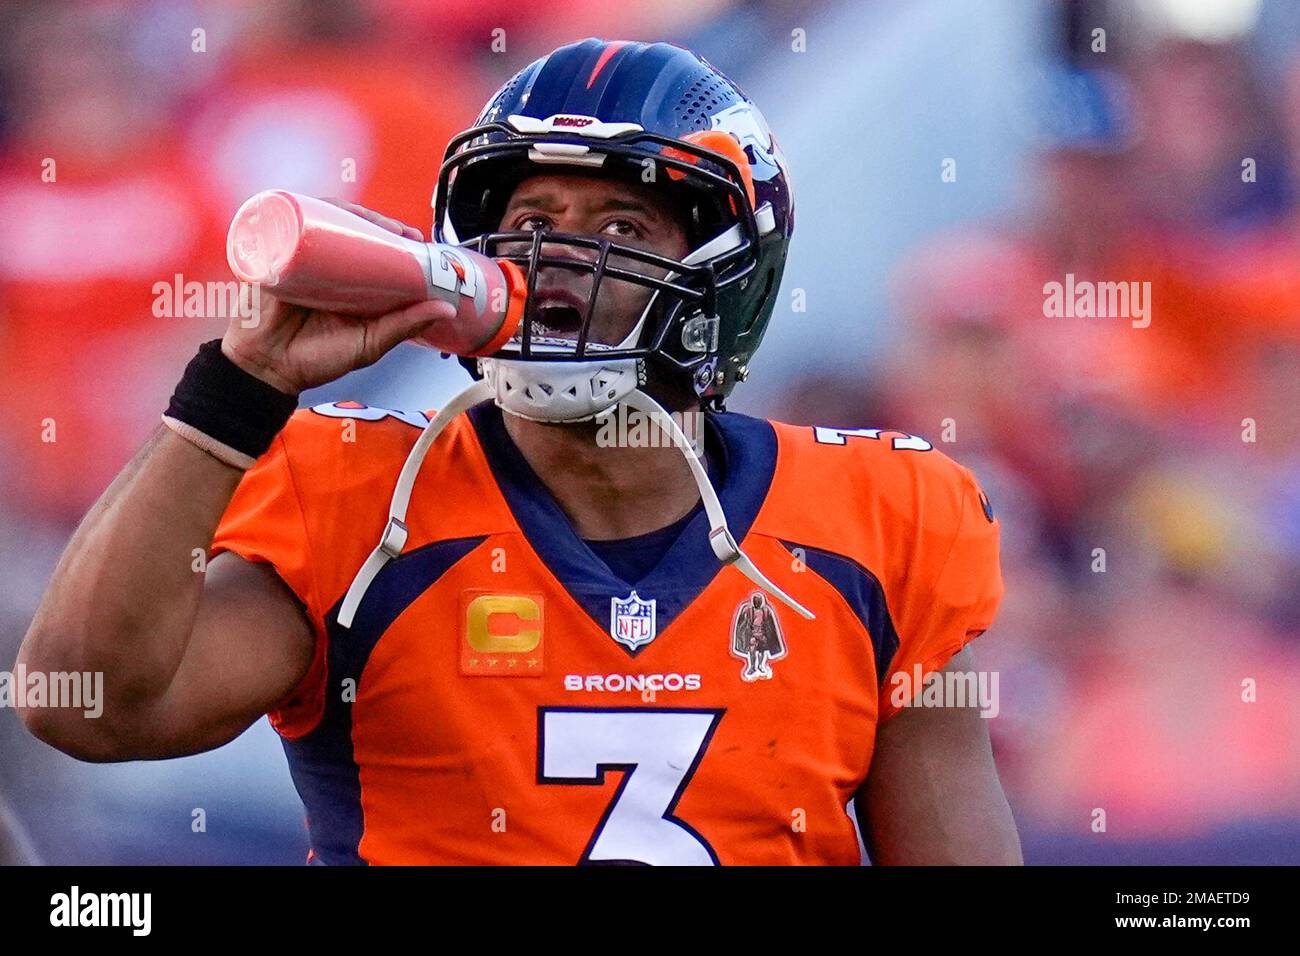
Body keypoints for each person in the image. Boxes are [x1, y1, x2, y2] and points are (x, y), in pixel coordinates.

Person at [17, 38, 1021, 865]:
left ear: (725, 277)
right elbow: (92, 709)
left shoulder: (884, 513)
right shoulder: (360, 494)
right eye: (531, 220)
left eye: (621, 223)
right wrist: (237, 388)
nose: (555, 258)